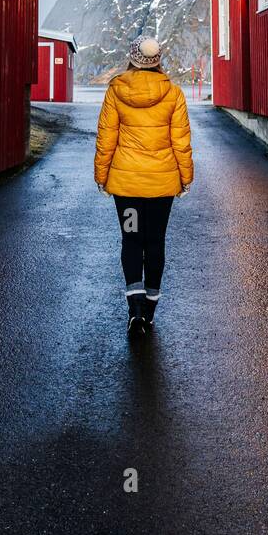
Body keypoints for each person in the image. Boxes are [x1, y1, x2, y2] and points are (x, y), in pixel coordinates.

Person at [94, 35, 194, 336]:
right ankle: (149, 311)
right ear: (157, 60)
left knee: (132, 239)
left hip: (126, 186)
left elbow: (106, 137)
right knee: (155, 242)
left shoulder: (116, 91)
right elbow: (181, 141)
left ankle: (134, 308)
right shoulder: (174, 93)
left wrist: (102, 175)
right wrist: (185, 178)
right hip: (161, 186)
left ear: (132, 59)